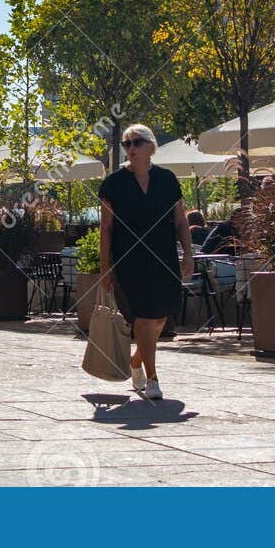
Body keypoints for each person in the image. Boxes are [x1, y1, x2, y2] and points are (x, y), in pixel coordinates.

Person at [99, 123, 192, 401]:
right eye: (126, 144)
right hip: (129, 259)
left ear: (151, 146)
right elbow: (106, 229)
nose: (130, 149)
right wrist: (105, 267)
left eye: (136, 143)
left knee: (161, 317)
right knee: (142, 318)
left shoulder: (167, 179)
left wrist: (188, 254)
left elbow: (180, 220)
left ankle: (136, 360)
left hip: (163, 257)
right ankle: (153, 379)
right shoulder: (113, 184)